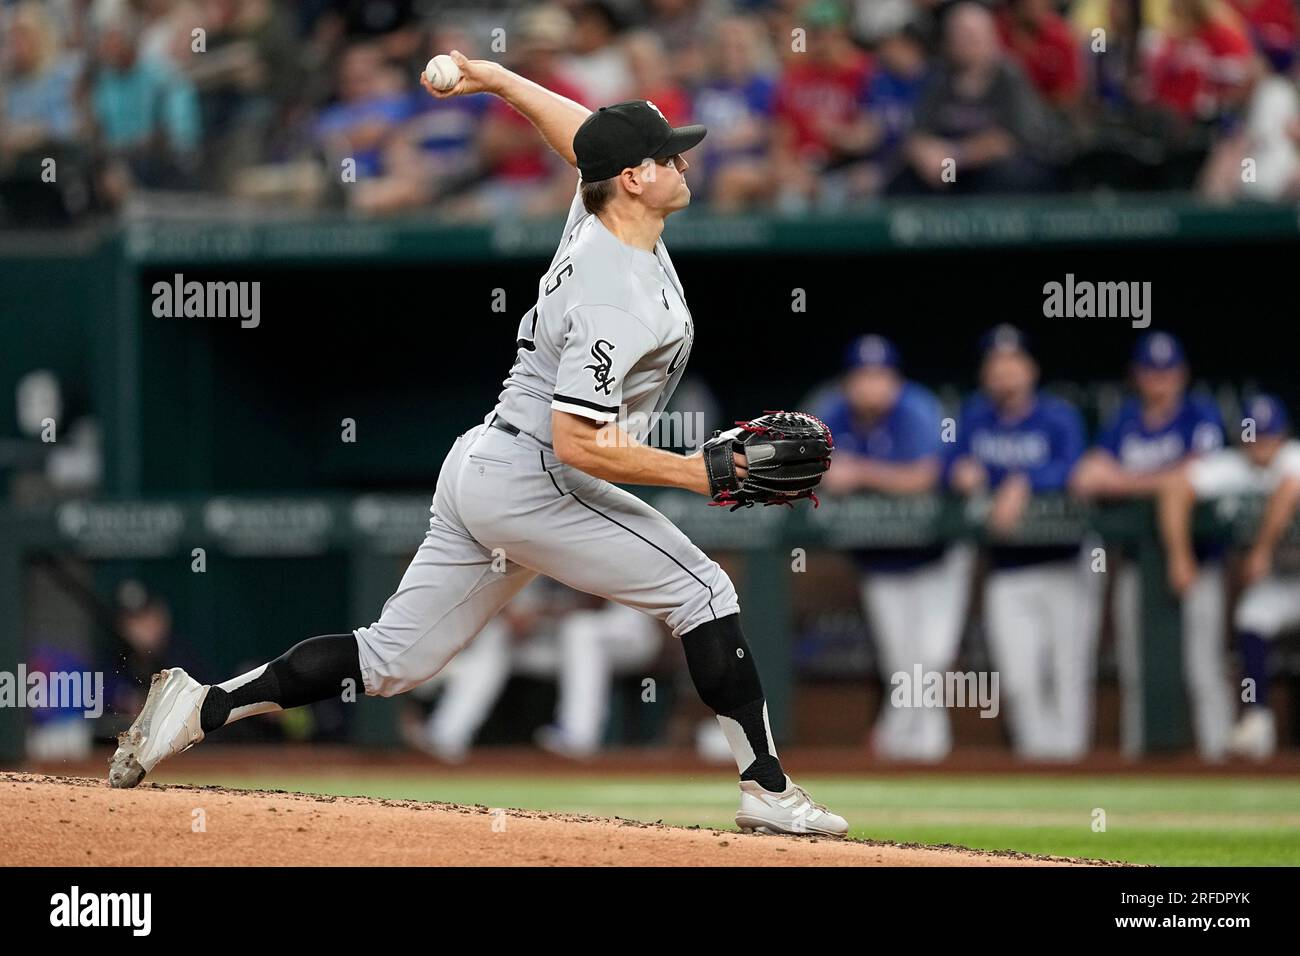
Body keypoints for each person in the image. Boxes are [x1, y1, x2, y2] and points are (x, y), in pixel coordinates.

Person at [108, 49, 848, 838]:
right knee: (702, 592)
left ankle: (202, 705)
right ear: (635, 178)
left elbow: (584, 138)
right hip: (539, 472)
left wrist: (492, 78)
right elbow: (580, 443)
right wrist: (698, 474)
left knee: (391, 660)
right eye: (669, 154)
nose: (684, 159)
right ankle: (765, 788)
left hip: (485, 463)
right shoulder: (616, 295)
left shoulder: (599, 213)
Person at [1071, 332, 1231, 761]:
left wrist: (1125, 482)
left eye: (1167, 371)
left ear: (1182, 374)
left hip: (1196, 562)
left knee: (1204, 669)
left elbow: (1198, 474)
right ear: (1137, 375)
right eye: (1150, 371)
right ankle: (1138, 765)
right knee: (1136, 669)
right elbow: (1086, 476)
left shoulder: (1201, 414)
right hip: (1137, 565)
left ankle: (1222, 763)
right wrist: (1160, 479)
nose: (1159, 380)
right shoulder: (1124, 419)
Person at [818, 335, 972, 762]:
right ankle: (915, 751)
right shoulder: (834, 414)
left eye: (879, 375)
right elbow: (810, 468)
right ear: (849, 382)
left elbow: (923, 476)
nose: (871, 385)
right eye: (862, 376)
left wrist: (861, 473)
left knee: (931, 657)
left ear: (895, 379)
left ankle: (905, 745)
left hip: (936, 557)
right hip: (882, 564)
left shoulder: (917, 408)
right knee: (901, 664)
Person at [947, 324, 1093, 760]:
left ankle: (1073, 767)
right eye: (996, 363)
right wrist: (958, 472)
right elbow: (947, 464)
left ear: (1031, 368)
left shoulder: (1058, 415)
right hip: (1006, 566)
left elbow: (1075, 469)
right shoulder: (972, 416)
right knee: (1019, 679)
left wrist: (1025, 482)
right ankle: (1039, 764)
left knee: (1068, 674)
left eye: (1014, 362)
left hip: (1065, 561)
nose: (1005, 371)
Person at [1159, 394, 1300, 760]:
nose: (1260, 445)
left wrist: (1261, 551)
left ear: (1281, 435)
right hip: (1282, 580)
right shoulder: (1234, 466)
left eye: (1268, 437)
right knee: (1252, 619)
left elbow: (1289, 489)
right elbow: (1175, 487)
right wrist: (1180, 556)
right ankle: (1258, 720)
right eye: (1253, 437)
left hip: (1284, 566)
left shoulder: (1293, 456)